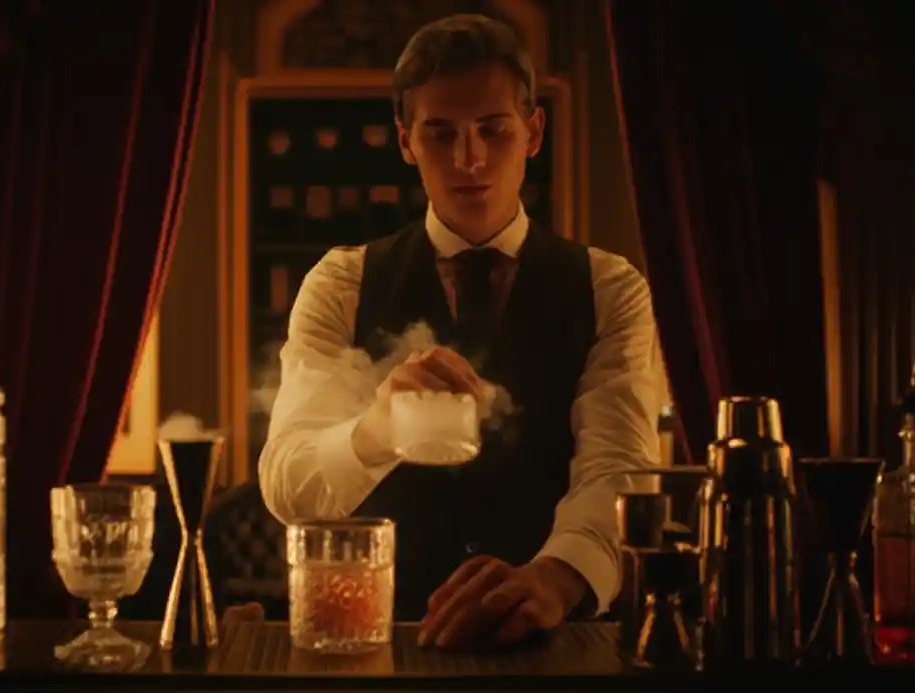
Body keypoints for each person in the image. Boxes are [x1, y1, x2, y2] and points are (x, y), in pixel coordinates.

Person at [258, 13, 661, 650]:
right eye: (440, 133)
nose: (468, 159)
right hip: (379, 641)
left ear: (533, 131)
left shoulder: (608, 288)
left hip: (555, 646)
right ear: (404, 141)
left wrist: (554, 580)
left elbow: (620, 468)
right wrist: (376, 430)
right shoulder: (341, 282)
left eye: (492, 130)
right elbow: (287, 483)